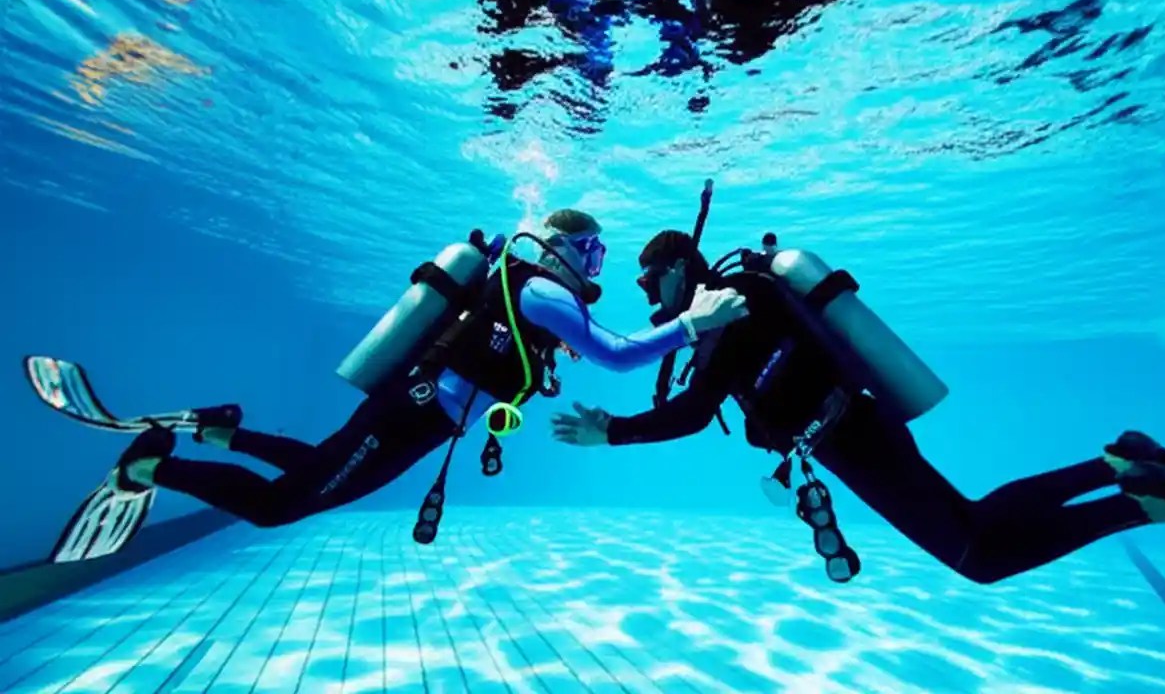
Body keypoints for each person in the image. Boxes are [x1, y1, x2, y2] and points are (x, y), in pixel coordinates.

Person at [551, 229, 1165, 584]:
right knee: (976, 518)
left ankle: (1149, 503)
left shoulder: (725, 310)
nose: (648, 295)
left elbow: (688, 413)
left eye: (650, 279)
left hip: (851, 438)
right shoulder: (745, 297)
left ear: (679, 266)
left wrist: (609, 433)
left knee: (977, 558)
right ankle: (1117, 460)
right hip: (856, 428)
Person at [110, 211, 748, 532]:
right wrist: (695, 321)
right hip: (413, 412)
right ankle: (148, 466)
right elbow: (617, 354)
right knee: (283, 506)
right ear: (559, 250)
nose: (596, 267)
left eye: (599, 254)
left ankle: (224, 431)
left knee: (317, 465)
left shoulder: (531, 287)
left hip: (416, 409)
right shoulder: (544, 292)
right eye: (590, 252)